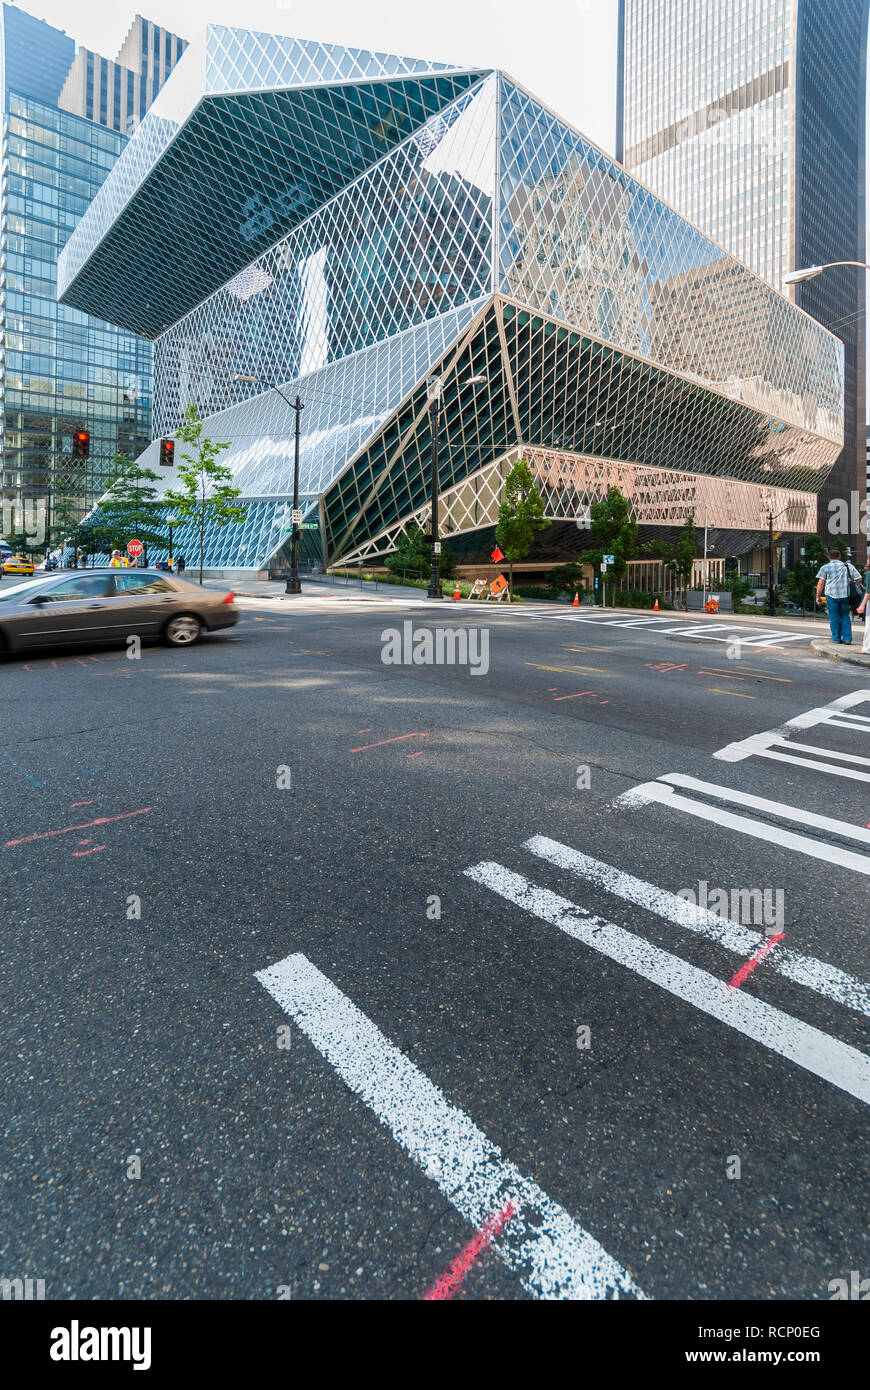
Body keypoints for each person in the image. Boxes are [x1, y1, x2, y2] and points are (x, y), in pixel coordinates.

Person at [816, 547, 862, 645]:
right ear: (839, 556)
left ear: (829, 557)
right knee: (845, 616)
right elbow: (859, 578)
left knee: (834, 617)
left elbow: (820, 583)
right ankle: (847, 638)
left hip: (831, 596)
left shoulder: (825, 567)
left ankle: (836, 638)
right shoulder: (848, 566)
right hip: (845, 595)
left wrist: (818, 597)